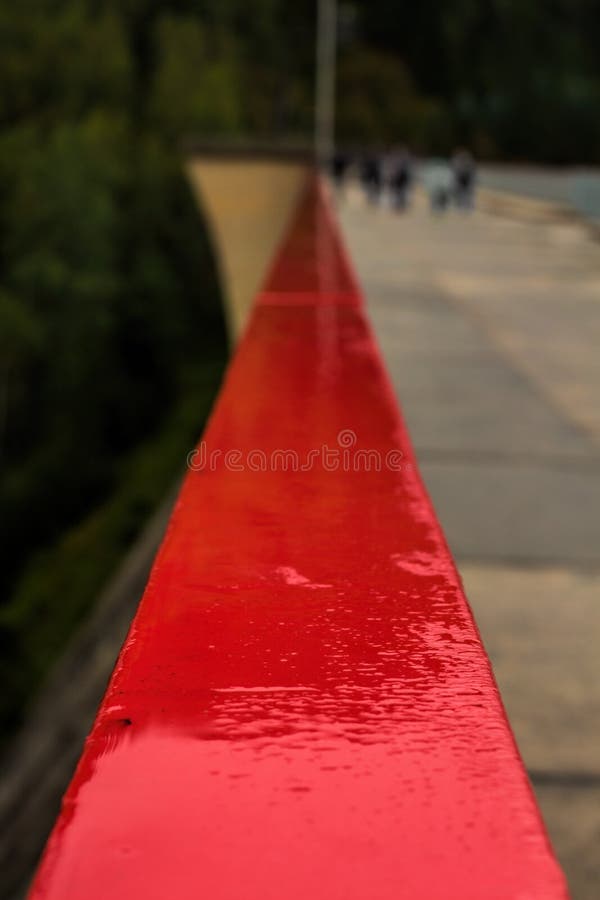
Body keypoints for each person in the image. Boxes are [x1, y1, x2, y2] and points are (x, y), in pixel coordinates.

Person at [387, 146, 413, 211]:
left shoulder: (404, 164)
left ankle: (400, 206)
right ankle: (398, 206)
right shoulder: (396, 163)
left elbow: (407, 175)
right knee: (398, 194)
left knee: (401, 194)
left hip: (401, 182)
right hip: (398, 182)